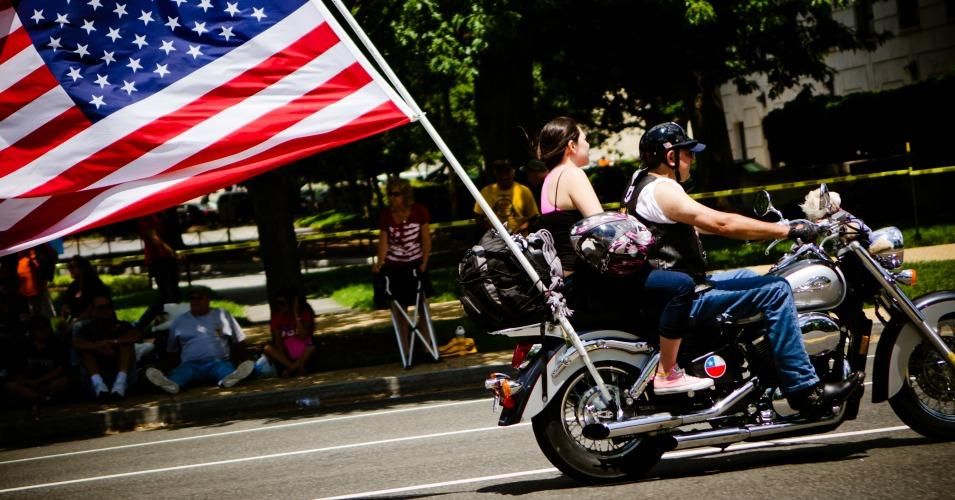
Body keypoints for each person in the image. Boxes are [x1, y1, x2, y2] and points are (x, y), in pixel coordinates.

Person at [622, 121, 863, 414]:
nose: (693, 159)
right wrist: (787, 231)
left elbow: (702, 223)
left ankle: (758, 369)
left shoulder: (641, 182)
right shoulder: (663, 189)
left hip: (680, 285)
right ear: (670, 157)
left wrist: (765, 227)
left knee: (752, 277)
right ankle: (804, 389)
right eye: (688, 153)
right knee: (776, 291)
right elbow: (721, 224)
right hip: (687, 294)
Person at [531, 116, 708, 394]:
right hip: (588, 282)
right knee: (680, 286)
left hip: (571, 282)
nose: (589, 146)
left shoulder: (549, 180)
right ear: (571, 146)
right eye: (585, 140)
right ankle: (668, 372)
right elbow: (602, 229)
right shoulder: (572, 174)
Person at [145, 287, 254, 394]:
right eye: (192, 298)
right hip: (190, 365)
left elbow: (238, 340)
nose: (195, 301)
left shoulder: (222, 315)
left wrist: (245, 361)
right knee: (180, 374)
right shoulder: (179, 321)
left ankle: (229, 379)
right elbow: (172, 350)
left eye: (199, 298)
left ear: (208, 300)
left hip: (217, 362)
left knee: (225, 370)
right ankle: (172, 384)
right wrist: (170, 367)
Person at [72, 293, 141, 399]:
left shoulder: (121, 325)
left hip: (120, 371)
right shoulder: (87, 328)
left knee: (125, 345)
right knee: (86, 349)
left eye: (108, 306)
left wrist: (113, 342)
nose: (105, 310)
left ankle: (120, 385)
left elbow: (136, 336)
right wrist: (98, 346)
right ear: (93, 310)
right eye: (100, 307)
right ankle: (99, 386)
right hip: (97, 373)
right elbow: (77, 343)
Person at [136, 211, 182, 331]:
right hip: (159, 259)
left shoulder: (157, 213)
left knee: (172, 295)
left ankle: (167, 324)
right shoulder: (146, 215)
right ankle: (140, 324)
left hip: (165, 259)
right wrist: (173, 253)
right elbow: (153, 238)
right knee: (166, 296)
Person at [474, 159, 540, 234]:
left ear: (513, 172)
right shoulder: (486, 191)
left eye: (507, 172)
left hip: (519, 239)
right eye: (500, 172)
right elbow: (478, 217)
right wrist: (494, 232)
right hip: (494, 239)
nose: (504, 176)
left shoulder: (524, 191)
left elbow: (533, 218)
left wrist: (518, 231)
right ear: (495, 173)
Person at [263, 289, 316, 377]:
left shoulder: (304, 314)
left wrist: (296, 315)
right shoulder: (277, 317)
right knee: (268, 348)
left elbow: (303, 336)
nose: (280, 306)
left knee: (311, 348)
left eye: (283, 303)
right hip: (288, 356)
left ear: (291, 303)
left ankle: (290, 370)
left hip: (303, 354)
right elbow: (278, 343)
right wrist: (286, 362)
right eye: (278, 303)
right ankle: (295, 368)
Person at [58, 256, 111, 334]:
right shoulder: (73, 286)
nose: (69, 269)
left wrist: (74, 323)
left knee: (76, 328)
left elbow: (92, 309)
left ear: (82, 267)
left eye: (72, 267)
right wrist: (63, 320)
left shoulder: (95, 285)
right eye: (68, 267)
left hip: (95, 320)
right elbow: (66, 304)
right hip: (77, 320)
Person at [16, 246, 56, 319]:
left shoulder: (37, 244)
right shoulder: (17, 247)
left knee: (42, 319)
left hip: (38, 290)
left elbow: (52, 256)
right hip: (23, 292)